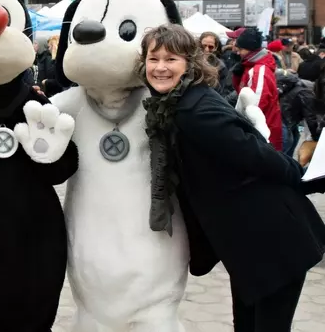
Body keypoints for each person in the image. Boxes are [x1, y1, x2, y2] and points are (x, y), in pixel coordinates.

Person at [139, 24, 325, 332]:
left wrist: (300, 174)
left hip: (274, 240)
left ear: (189, 62)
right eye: (153, 58)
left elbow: (257, 155)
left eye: (170, 59)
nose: (160, 67)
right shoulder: (181, 100)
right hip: (251, 244)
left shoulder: (194, 110)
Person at [231, 27, 283, 151]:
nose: (238, 52)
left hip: (264, 132)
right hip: (261, 131)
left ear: (251, 50)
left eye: (241, 49)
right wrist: (237, 76)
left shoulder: (259, 71)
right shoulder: (251, 67)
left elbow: (256, 107)